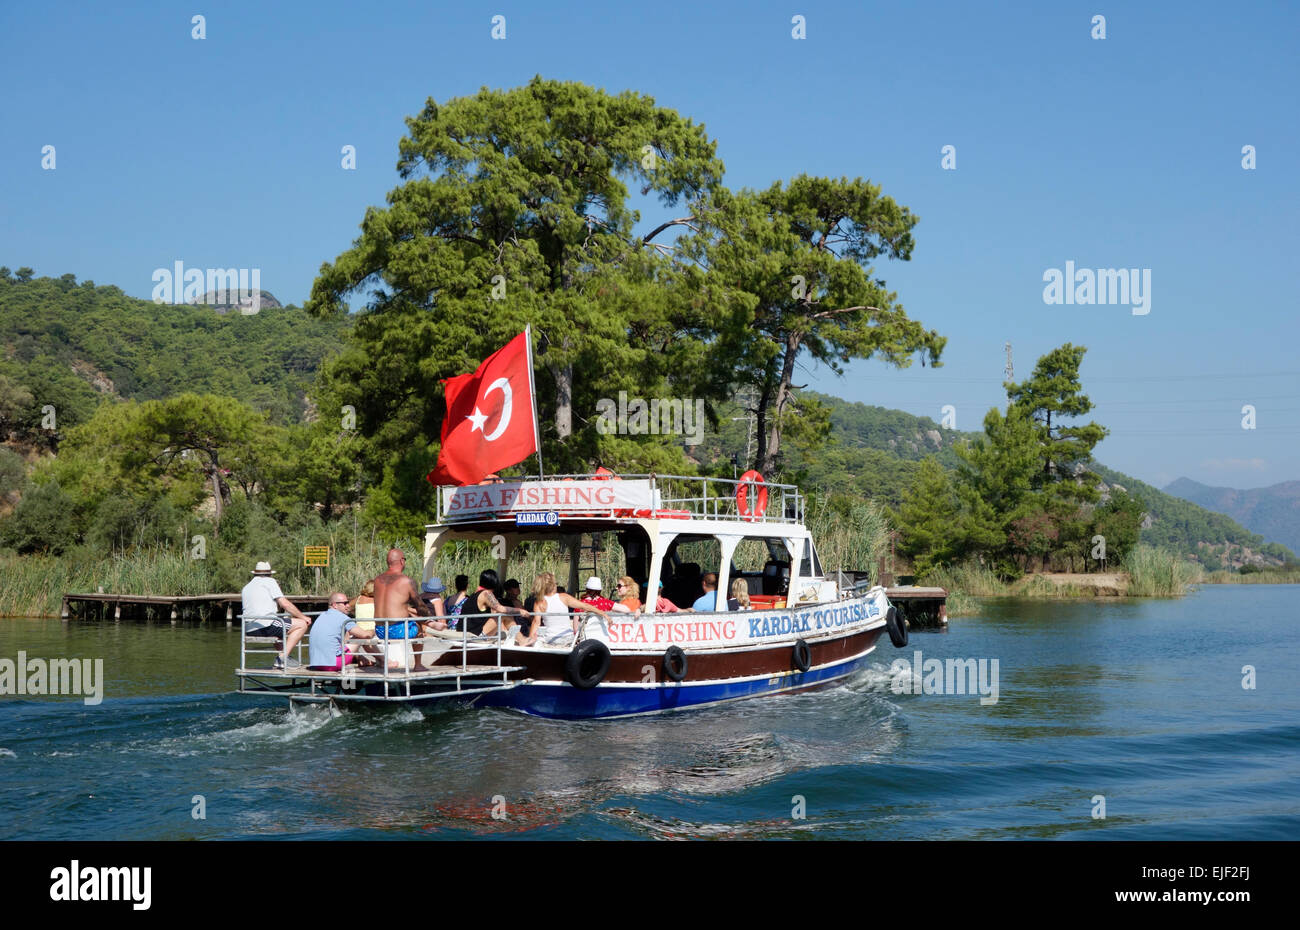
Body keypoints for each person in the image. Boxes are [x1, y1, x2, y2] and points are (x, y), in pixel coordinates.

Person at [241, 561, 312, 670]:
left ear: (255, 573)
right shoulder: (270, 581)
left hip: (249, 628)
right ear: (269, 574)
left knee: (281, 626)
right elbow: (284, 603)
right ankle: (283, 658)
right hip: (266, 626)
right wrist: (303, 617)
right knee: (301, 624)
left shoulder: (247, 587)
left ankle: (283, 657)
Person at [371, 548, 434, 670]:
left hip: (380, 630)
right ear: (401, 561)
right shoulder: (406, 581)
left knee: (409, 617)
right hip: (397, 630)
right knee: (419, 627)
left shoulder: (377, 580)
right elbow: (420, 606)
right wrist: (429, 616)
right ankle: (418, 665)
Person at [522, 572, 610, 647]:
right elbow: (585, 606)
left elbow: (536, 623)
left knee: (539, 637)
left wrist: (530, 639)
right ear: (553, 586)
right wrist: (603, 613)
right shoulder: (563, 597)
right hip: (568, 638)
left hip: (551, 639)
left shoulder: (539, 602)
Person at [308, 593, 375, 671]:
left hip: (316, 665)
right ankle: (383, 661)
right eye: (345, 603)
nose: (348, 605)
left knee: (347, 639)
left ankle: (362, 658)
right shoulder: (343, 618)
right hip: (334, 664)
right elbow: (365, 635)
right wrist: (374, 630)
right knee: (359, 636)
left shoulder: (321, 616)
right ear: (334, 605)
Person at [465, 569, 528, 638]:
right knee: (504, 615)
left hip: (467, 629)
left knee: (501, 616)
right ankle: (522, 640)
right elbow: (501, 609)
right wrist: (519, 610)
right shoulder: (486, 593)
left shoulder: (475, 594)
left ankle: (520, 639)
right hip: (474, 633)